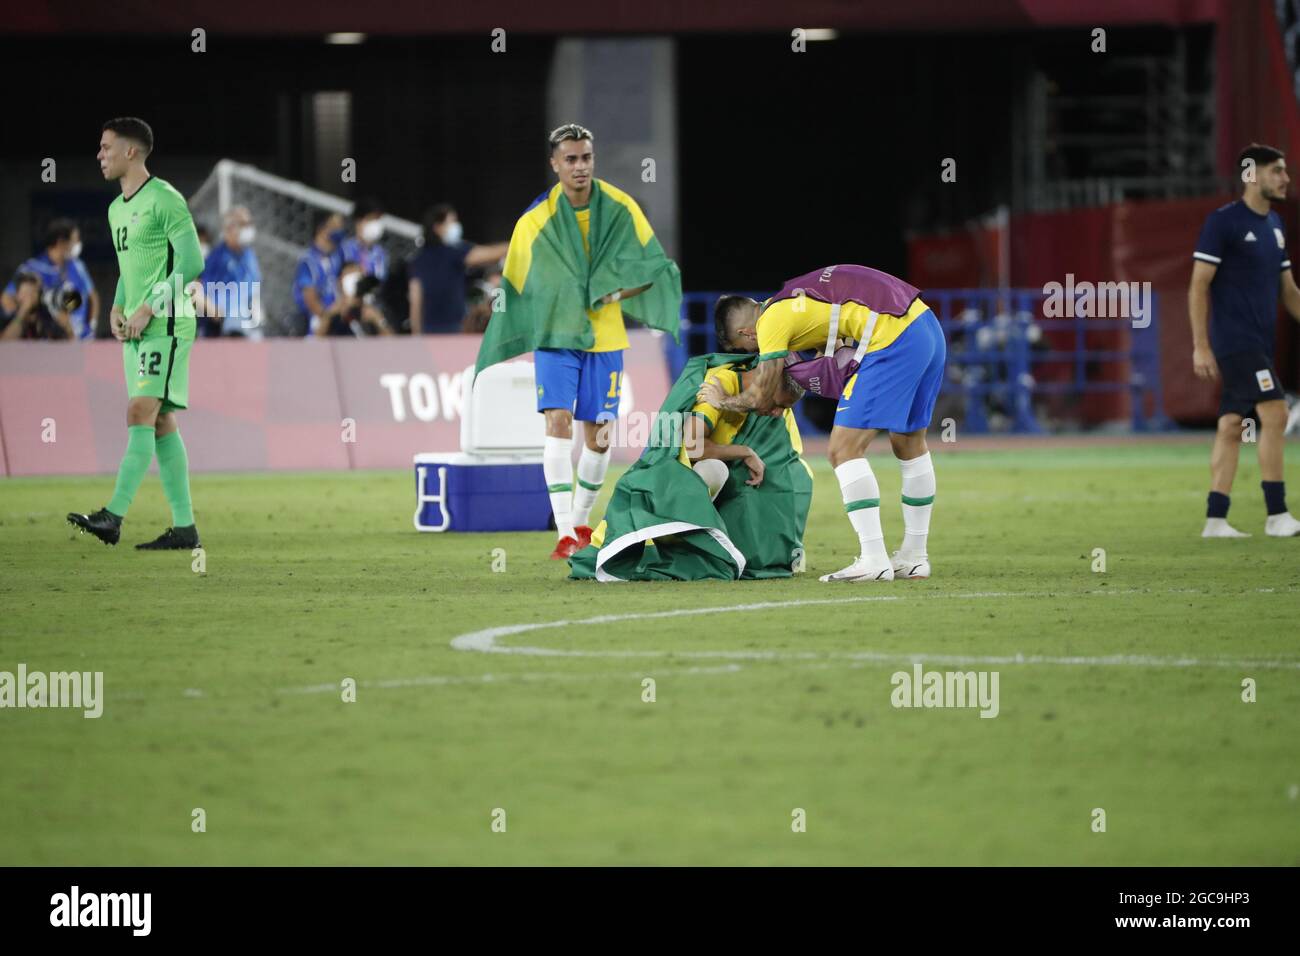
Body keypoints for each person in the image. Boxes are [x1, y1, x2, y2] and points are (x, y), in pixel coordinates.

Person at [473, 123, 683, 560]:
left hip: (605, 336)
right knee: (557, 422)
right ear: (554, 164)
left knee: (600, 435)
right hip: (555, 334)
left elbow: (652, 268)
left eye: (585, 157)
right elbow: (516, 283)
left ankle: (584, 521)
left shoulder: (621, 208)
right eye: (570, 159)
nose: (580, 166)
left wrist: (616, 293)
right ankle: (565, 531)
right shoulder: (535, 221)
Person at [701, 264, 946, 583]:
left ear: (746, 333)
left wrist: (721, 401)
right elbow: (794, 387)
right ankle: (915, 557)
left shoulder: (771, 321)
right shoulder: (795, 303)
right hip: (925, 326)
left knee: (842, 451)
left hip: (892, 340)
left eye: (745, 350)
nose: (753, 353)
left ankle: (874, 559)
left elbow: (760, 396)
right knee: (908, 443)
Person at [67, 117, 205, 550]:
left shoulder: (165, 199)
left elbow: (192, 263)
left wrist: (149, 308)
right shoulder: (116, 209)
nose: (99, 155)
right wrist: (118, 306)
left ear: (131, 151)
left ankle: (113, 515)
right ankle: (185, 530)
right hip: (139, 326)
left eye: (106, 147)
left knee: (139, 411)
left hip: (166, 323)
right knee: (160, 420)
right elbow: (131, 269)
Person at [568, 352, 811, 581]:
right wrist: (744, 451)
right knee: (715, 470)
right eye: (779, 404)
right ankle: (675, 543)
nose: (778, 414)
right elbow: (693, 447)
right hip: (665, 489)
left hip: (680, 487)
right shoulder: (720, 383)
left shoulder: (744, 390)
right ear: (765, 385)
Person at [1190, 142, 1300, 538]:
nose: (1286, 179)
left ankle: (1216, 519)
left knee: (1232, 425)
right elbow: (1198, 286)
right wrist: (1201, 345)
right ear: (1252, 175)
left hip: (1259, 341)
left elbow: (1289, 292)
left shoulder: (1275, 226)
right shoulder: (1224, 224)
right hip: (1235, 341)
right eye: (1278, 170)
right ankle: (1277, 514)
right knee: (1275, 413)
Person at [408, 204, 508, 334]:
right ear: (437, 227)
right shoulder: (453, 253)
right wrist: (517, 243)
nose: (457, 225)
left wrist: (416, 335)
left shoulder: (418, 259)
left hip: (428, 331)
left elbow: (415, 299)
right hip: (454, 329)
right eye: (452, 221)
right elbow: (488, 254)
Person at [2, 218, 97, 339]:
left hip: (80, 339)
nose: (78, 244)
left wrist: (92, 324)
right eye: (75, 240)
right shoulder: (32, 268)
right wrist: (31, 310)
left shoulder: (77, 265)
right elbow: (6, 299)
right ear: (61, 242)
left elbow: (92, 297)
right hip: (48, 339)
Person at [198, 206, 261, 337]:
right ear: (230, 229)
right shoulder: (217, 257)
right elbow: (198, 289)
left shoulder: (249, 255)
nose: (248, 229)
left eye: (249, 224)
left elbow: (254, 287)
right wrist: (212, 309)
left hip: (248, 319)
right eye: (243, 225)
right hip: (221, 324)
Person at [293, 210, 344, 336]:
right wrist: (328, 315)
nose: (339, 232)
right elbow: (310, 300)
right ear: (322, 229)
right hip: (315, 318)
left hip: (337, 315)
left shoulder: (336, 257)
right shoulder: (309, 261)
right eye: (335, 227)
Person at [322, 262, 392, 336]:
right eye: (349, 278)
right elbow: (316, 341)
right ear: (340, 282)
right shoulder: (333, 312)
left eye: (357, 278)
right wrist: (328, 317)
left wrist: (378, 320)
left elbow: (392, 342)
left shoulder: (374, 309)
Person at [0, 272, 70, 340]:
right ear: (17, 295)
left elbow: (68, 340)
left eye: (32, 292)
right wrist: (23, 310)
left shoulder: (47, 318)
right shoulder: (9, 317)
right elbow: (6, 341)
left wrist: (66, 325)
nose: (30, 298)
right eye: (25, 293)